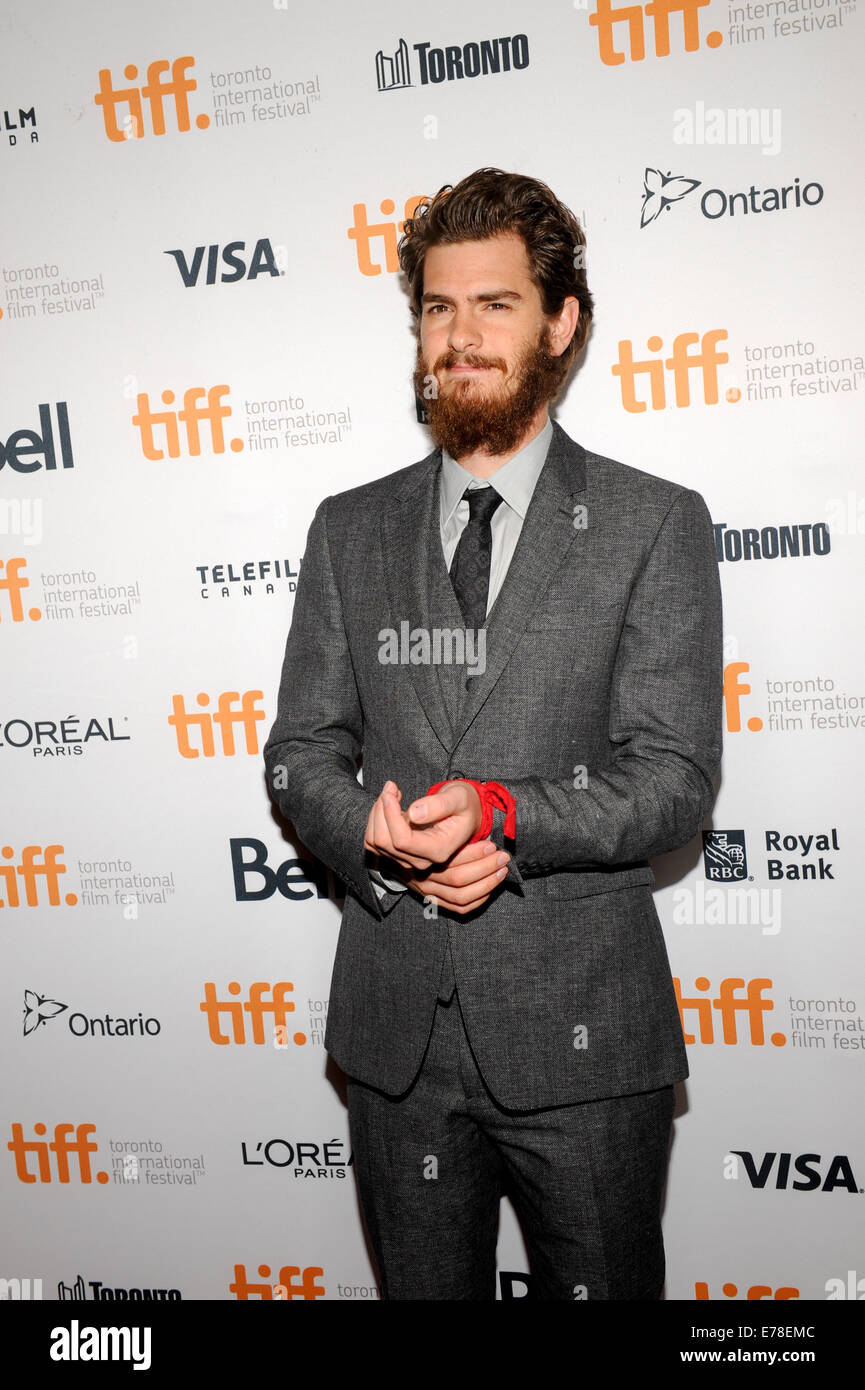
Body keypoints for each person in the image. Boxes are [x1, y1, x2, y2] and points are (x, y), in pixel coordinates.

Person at [263, 167, 722, 1301]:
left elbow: (672, 779)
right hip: (395, 1038)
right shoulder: (347, 530)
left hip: (585, 1034)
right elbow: (300, 751)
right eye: (437, 306)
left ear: (560, 324)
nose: (459, 336)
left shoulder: (651, 523)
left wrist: (507, 814)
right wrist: (371, 836)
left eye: (494, 304)